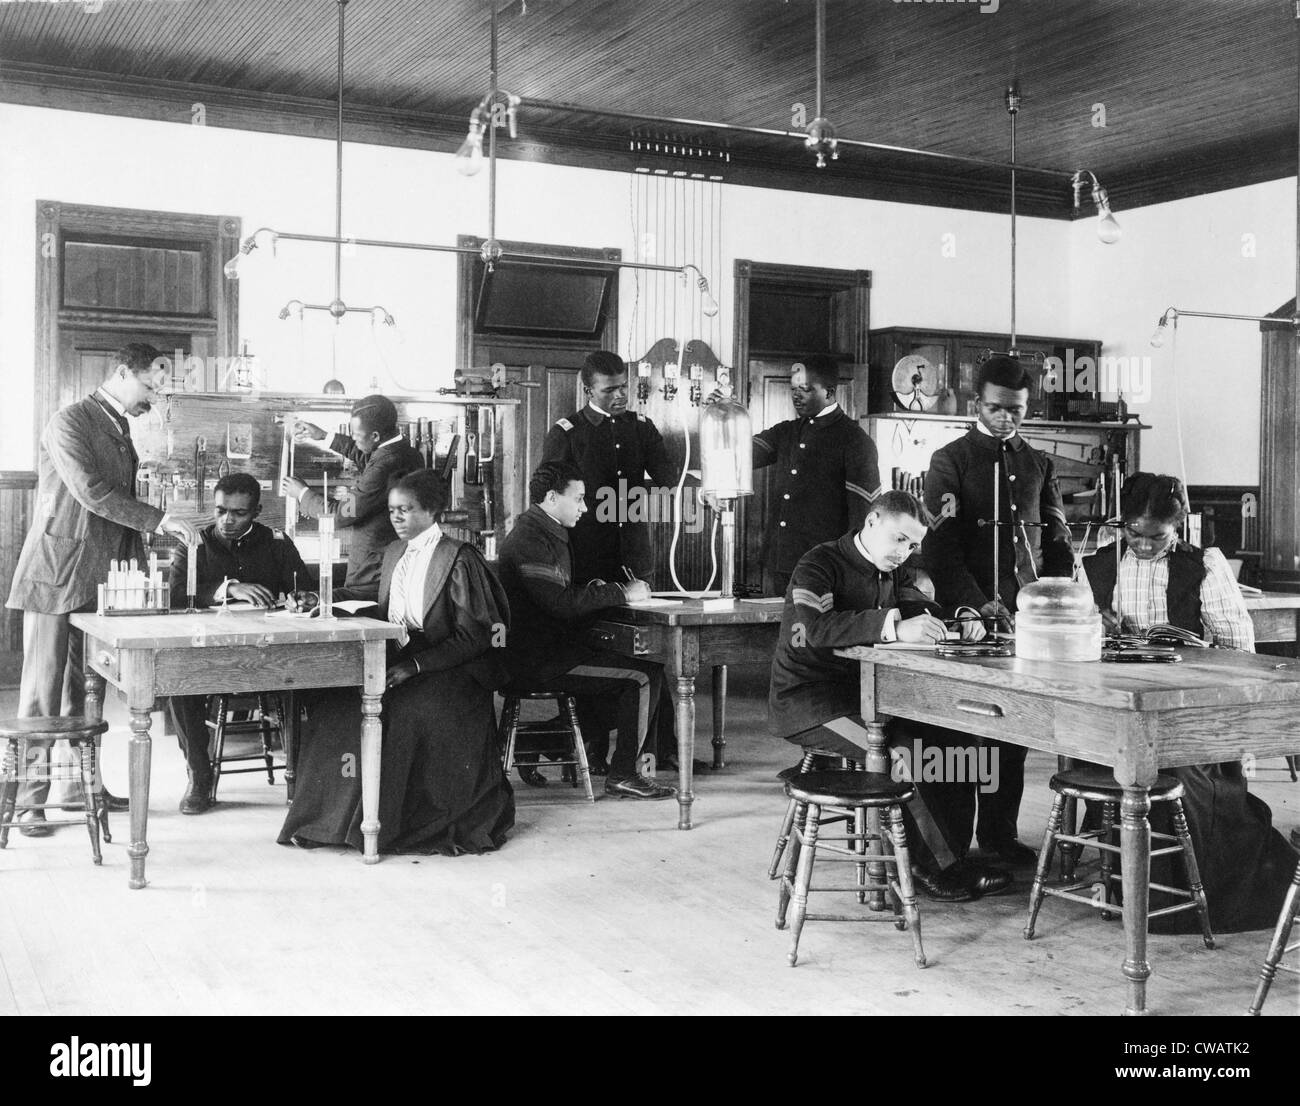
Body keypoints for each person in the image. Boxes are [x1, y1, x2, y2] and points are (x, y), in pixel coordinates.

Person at [1081, 472, 1298, 933]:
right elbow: (1074, 636)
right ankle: (1136, 882)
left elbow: (1240, 654)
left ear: (1177, 525)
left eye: (1155, 537)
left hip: (1190, 712)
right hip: (1116, 707)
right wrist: (1094, 624)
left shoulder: (1204, 565)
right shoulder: (1098, 564)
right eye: (1133, 534)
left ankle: (1179, 899)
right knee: (1135, 765)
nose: (1141, 545)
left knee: (1174, 776)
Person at [768, 490, 1013, 901]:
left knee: (953, 738)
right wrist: (895, 628)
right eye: (900, 539)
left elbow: (915, 604)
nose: (906, 552)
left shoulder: (891, 568)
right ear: (872, 521)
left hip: (868, 696)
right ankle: (932, 871)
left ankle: (951, 855)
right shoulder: (819, 564)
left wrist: (961, 617)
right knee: (903, 754)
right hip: (809, 701)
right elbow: (816, 629)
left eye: (914, 544)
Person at [5, 343, 201, 837]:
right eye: (149, 386)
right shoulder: (69, 420)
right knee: (42, 694)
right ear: (121, 373)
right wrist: (160, 520)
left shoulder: (119, 426)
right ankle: (30, 801)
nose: (154, 398)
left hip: (97, 577)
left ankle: (79, 788)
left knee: (84, 691)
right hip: (56, 572)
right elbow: (92, 493)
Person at [278, 469, 514, 855]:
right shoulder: (394, 553)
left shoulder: (458, 558)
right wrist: (320, 600)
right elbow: (376, 599)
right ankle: (328, 823)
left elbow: (477, 636)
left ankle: (382, 827)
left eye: (407, 509)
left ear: (433, 510)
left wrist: (416, 667)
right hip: (399, 655)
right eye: (391, 510)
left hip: (450, 667)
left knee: (401, 711)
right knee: (338, 705)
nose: (397, 518)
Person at [921, 354, 1074, 866]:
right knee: (965, 728)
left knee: (1018, 727)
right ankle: (953, 846)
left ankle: (1000, 835)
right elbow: (941, 549)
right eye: (997, 409)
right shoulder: (949, 460)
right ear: (974, 404)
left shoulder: (1038, 462)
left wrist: (1060, 597)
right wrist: (973, 604)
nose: (1007, 418)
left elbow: (1055, 538)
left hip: (1028, 620)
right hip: (969, 618)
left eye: (1018, 410)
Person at [496, 460, 676, 799]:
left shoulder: (542, 530)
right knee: (644, 677)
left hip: (545, 653)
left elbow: (557, 591)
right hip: (538, 661)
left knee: (630, 677)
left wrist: (598, 588)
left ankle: (537, 743)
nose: (585, 507)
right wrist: (622, 591)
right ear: (552, 497)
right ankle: (624, 774)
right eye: (578, 498)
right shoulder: (531, 539)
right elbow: (561, 602)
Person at [165, 472, 311, 815]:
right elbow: (174, 598)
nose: (227, 520)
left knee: (310, 677)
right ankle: (199, 775)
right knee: (180, 684)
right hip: (210, 652)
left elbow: (304, 587)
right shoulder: (194, 543)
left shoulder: (277, 542)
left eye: (238, 513)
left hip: (268, 651)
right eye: (220, 511)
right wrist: (227, 588)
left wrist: (301, 598)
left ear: (257, 511)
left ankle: (301, 777)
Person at [539, 350, 677, 586]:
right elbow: (544, 496)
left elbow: (670, 479)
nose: (621, 395)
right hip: (587, 557)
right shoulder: (567, 433)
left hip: (635, 556)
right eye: (609, 390)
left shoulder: (641, 428)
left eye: (623, 386)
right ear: (588, 391)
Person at [285, 394, 424, 596]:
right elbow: (366, 455)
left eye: (357, 436)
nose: (355, 440)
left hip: (373, 571)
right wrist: (324, 436)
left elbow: (341, 513)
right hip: (391, 563)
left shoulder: (383, 466)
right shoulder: (406, 452)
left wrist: (302, 493)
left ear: (375, 436)